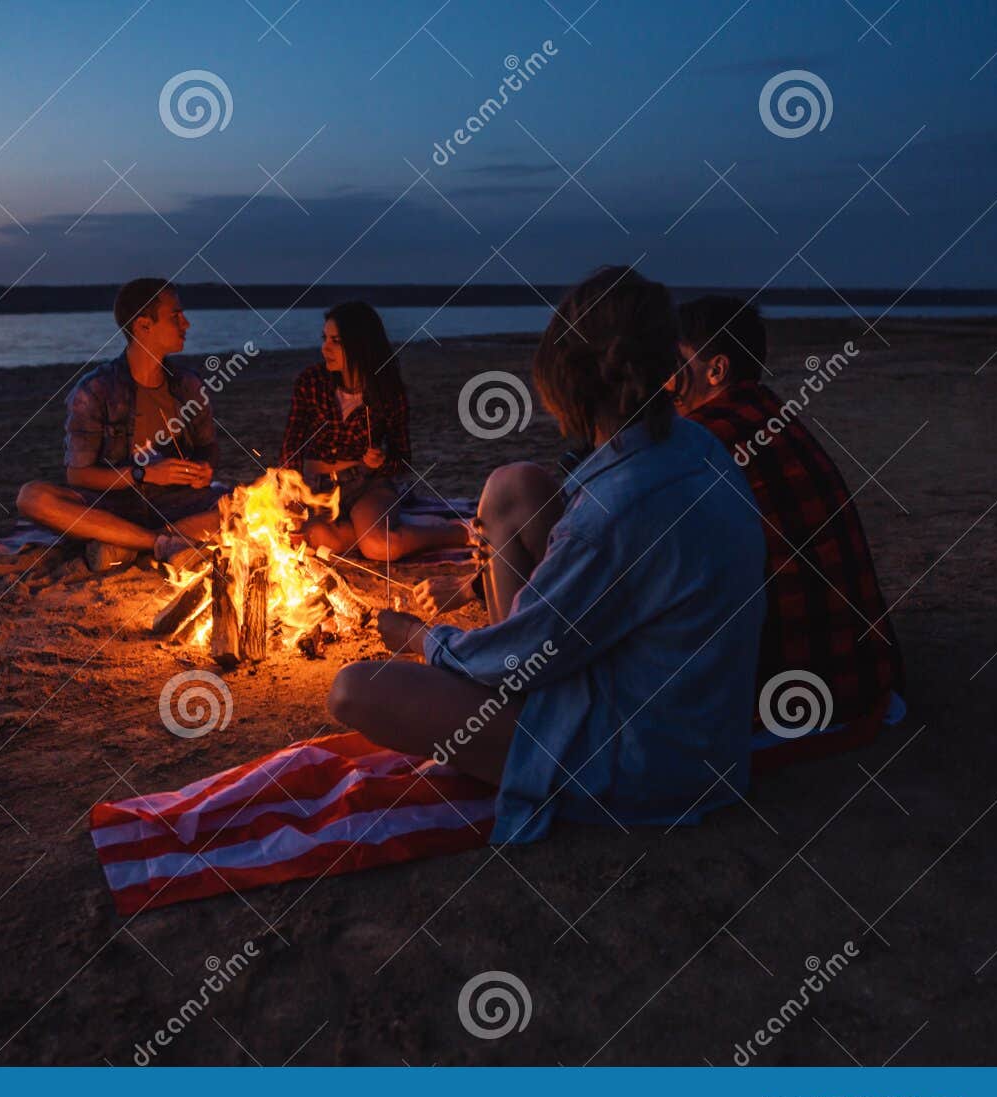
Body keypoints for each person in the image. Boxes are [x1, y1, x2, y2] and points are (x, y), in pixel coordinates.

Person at [328, 268, 766, 843]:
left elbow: (519, 655)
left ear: (568, 379)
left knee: (354, 691)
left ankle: (533, 760)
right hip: (703, 732)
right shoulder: (694, 444)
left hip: (643, 764)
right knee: (514, 488)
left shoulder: (616, 508)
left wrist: (415, 636)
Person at [669, 296, 904, 761]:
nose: (662, 381)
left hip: (789, 687)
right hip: (860, 674)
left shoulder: (703, 438)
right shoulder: (770, 416)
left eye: (672, 364)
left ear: (715, 370)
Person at [16, 278, 223, 573]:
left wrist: (204, 468)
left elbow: (208, 448)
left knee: (248, 504)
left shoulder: (188, 386)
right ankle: (157, 542)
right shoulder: (95, 389)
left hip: (177, 503)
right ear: (143, 326)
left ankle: (125, 544)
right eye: (175, 316)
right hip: (113, 505)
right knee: (32, 497)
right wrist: (144, 474)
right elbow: (78, 476)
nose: (186, 324)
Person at [279, 302, 469, 561]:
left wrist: (380, 462)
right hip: (318, 489)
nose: (325, 347)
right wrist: (291, 488)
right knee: (313, 539)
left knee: (380, 547)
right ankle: (369, 533)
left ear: (360, 344)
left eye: (336, 341)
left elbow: (402, 459)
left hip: (367, 485)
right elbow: (292, 443)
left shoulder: (387, 391)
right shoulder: (311, 381)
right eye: (325, 338)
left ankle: (454, 533)